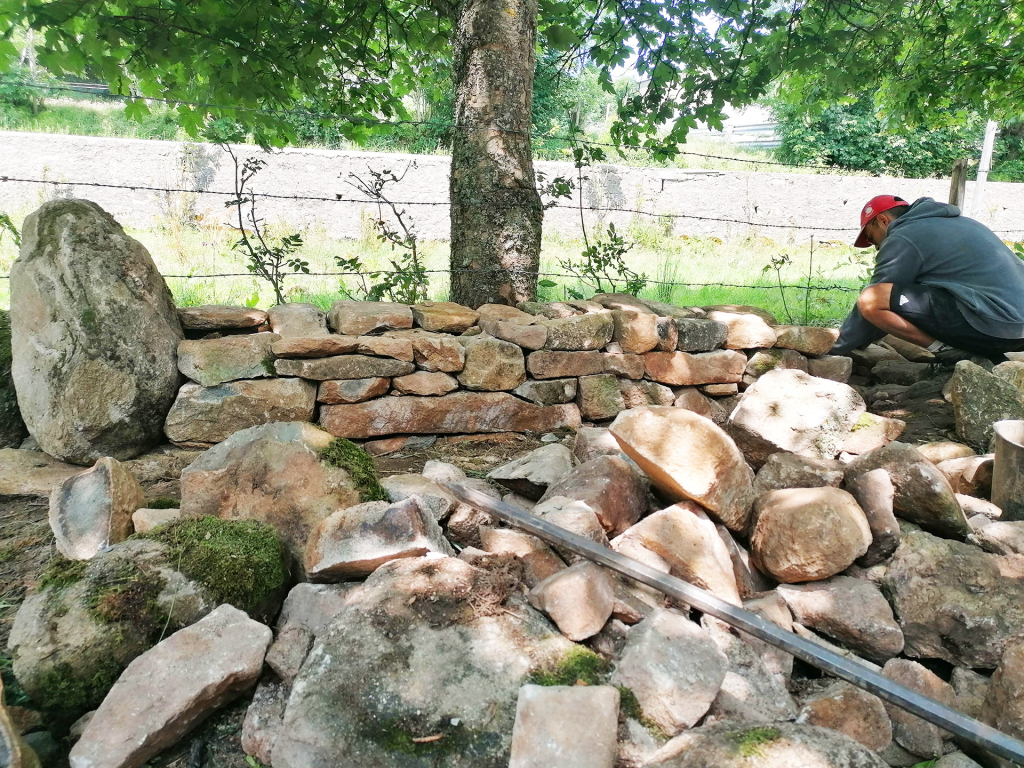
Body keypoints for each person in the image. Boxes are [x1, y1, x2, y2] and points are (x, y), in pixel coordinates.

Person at [831, 195, 1024, 360]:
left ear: (883, 220)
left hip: (995, 327)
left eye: (871, 238)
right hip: (1015, 329)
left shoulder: (904, 237)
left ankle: (948, 351)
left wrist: (837, 346)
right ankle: (988, 357)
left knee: (872, 298)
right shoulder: (965, 223)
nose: (876, 246)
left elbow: (878, 300)